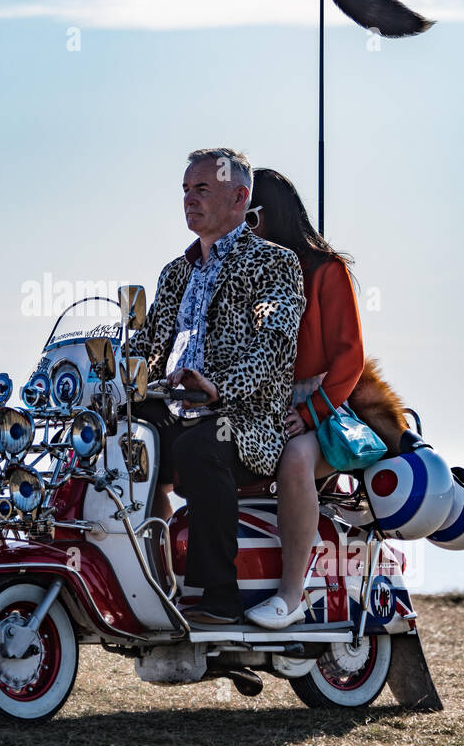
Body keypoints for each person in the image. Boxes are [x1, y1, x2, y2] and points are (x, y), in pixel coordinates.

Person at [129, 148, 304, 629]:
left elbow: (272, 348)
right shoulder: (175, 273)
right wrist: (112, 372)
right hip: (177, 407)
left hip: (246, 420)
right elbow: (148, 345)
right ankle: (145, 576)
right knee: (118, 440)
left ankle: (217, 596)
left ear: (239, 197)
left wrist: (217, 388)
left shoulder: (275, 265)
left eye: (201, 189)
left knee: (201, 446)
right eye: (185, 190)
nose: (189, 199)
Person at [242, 167, 365, 630]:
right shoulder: (245, 270)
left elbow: (350, 359)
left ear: (268, 215)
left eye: (249, 218)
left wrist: (311, 412)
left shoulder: (326, 270)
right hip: (259, 405)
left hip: (325, 407)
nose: (242, 230)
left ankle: (290, 595)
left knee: (296, 459)